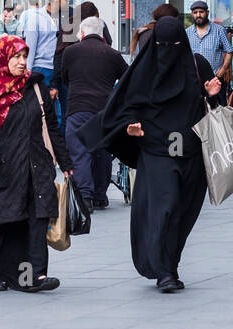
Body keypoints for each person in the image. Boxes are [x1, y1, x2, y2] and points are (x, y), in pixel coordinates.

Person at [80, 18, 224, 293]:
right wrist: (130, 126)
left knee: (184, 213)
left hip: (192, 153)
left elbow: (218, 107)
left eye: (174, 45)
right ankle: (164, 271)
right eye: (162, 45)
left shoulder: (198, 66)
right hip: (157, 151)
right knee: (164, 208)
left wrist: (213, 95)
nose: (168, 50)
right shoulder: (144, 70)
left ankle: (170, 263)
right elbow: (126, 104)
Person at [0, 36, 72, 293]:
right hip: (1, 166)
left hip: (36, 165)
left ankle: (33, 277)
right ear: (3, 58)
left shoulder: (35, 86)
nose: (23, 63)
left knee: (36, 220)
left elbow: (52, 126)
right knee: (4, 221)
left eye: (25, 57)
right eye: (16, 57)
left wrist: (65, 162)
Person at [57, 16, 127, 211]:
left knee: (79, 152)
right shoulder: (113, 54)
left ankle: (85, 196)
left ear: (82, 33)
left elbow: (65, 78)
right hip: (104, 111)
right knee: (103, 152)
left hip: (77, 109)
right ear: (102, 33)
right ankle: (99, 195)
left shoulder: (70, 52)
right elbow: (127, 78)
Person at [19, 0, 68, 95]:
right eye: (65, 0)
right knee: (46, 106)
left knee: (63, 107)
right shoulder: (36, 17)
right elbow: (30, 45)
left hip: (60, 68)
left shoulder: (64, 17)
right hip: (42, 68)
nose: (67, 3)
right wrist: (28, 69)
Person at [186, 0, 233, 83]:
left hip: (215, 78)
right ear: (192, 14)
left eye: (201, 12)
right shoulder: (187, 32)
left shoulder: (219, 30)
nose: (198, 15)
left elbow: (229, 51)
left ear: (207, 12)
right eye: (195, 12)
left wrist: (223, 70)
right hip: (194, 79)